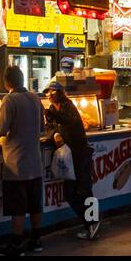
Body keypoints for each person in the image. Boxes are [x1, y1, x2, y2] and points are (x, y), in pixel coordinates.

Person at [0, 65, 45, 254]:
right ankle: (37, 240)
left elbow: (0, 130)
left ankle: (17, 244)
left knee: (18, 206)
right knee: (35, 203)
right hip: (35, 163)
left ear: (6, 82)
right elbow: (42, 129)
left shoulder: (9, 99)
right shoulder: (35, 98)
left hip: (16, 163)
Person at [44, 81, 99, 240]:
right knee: (70, 192)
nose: (50, 95)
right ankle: (90, 223)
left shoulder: (68, 106)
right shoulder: (53, 109)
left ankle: (93, 223)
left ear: (60, 93)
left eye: (53, 92)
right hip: (68, 157)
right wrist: (54, 133)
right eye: (48, 92)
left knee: (85, 190)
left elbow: (72, 120)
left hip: (81, 154)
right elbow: (48, 127)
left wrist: (52, 115)